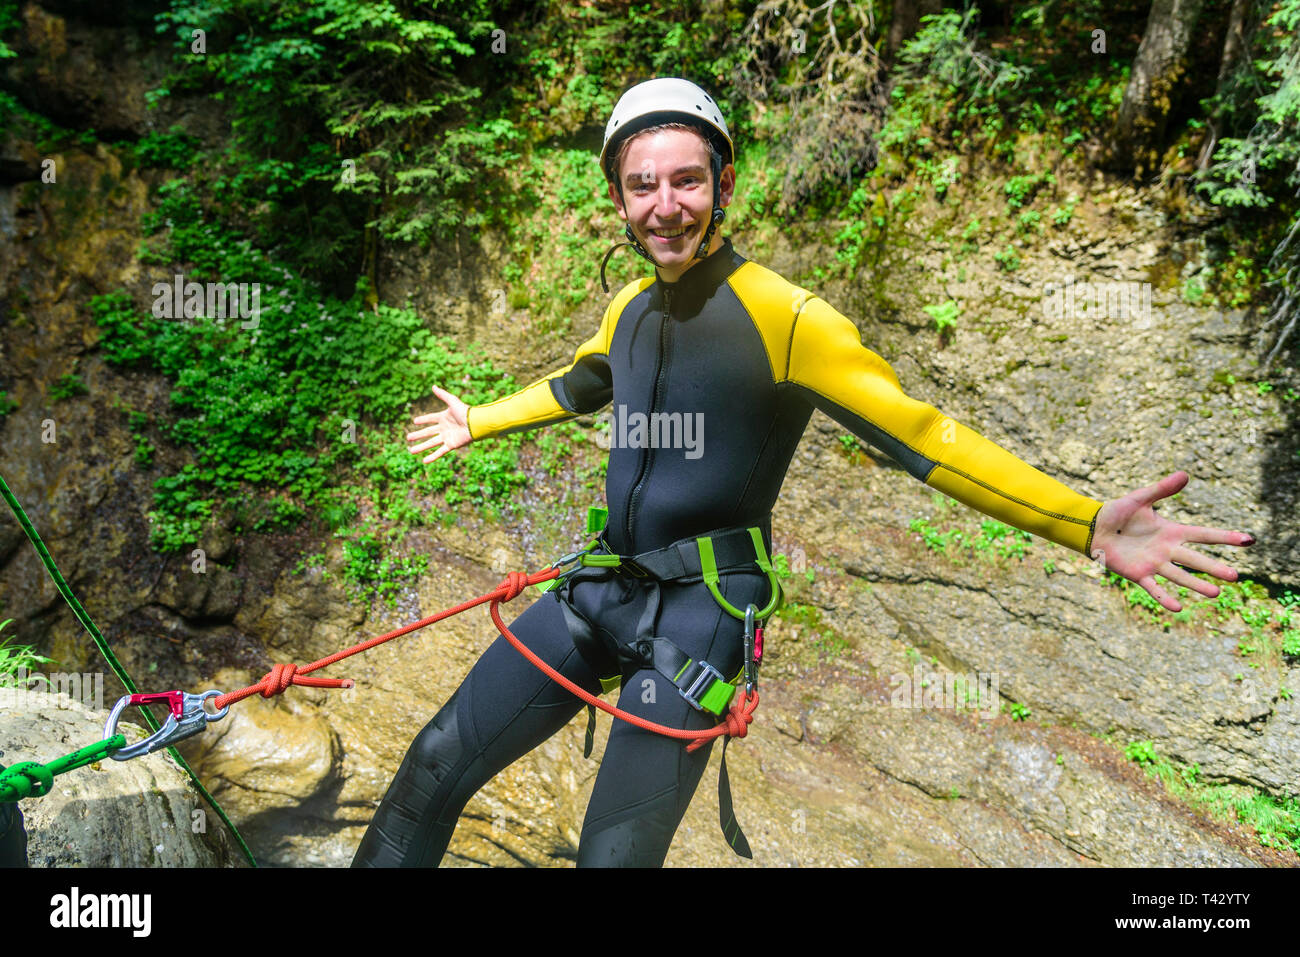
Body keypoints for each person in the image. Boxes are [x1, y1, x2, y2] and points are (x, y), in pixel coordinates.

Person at [351, 77, 1254, 868]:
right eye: (643, 185)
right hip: (602, 586)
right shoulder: (627, 304)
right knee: (433, 762)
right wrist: (479, 419)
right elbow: (584, 382)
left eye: (687, 180)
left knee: (611, 859)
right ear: (619, 201)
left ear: (724, 185)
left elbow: (924, 436)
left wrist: (1084, 521)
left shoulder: (789, 318)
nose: (666, 204)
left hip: (702, 619)